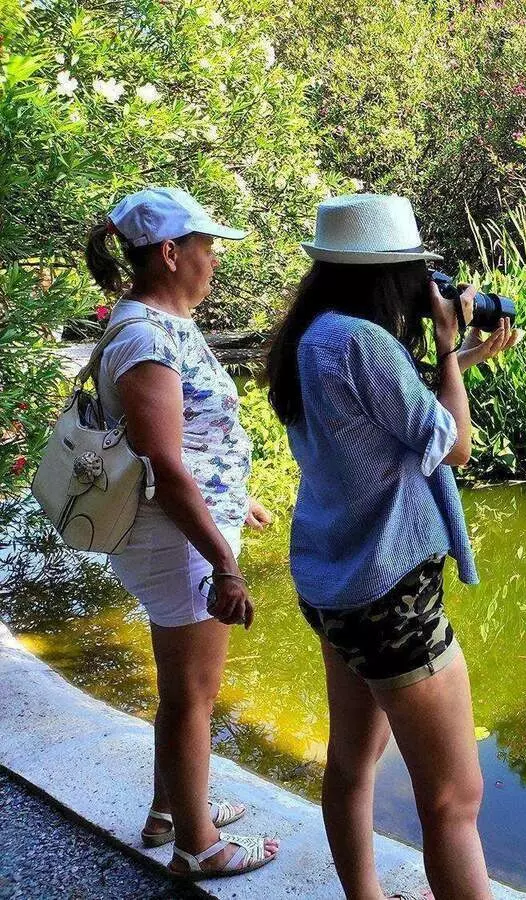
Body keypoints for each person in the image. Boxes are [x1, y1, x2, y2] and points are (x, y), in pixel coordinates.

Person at [265, 193, 519, 900]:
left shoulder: (312, 337)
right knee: (454, 798)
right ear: (389, 273)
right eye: (415, 273)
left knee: (352, 765)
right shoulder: (363, 342)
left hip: (336, 584)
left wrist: (460, 359)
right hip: (390, 594)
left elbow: (389, 416)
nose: (422, 289)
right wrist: (445, 347)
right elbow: (455, 446)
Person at [85, 187, 280, 879]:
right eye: (207, 247)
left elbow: (185, 440)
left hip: (185, 528)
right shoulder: (145, 337)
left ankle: (171, 810)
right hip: (178, 540)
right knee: (194, 694)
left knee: (181, 688)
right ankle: (199, 847)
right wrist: (224, 561)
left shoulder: (160, 323)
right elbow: (164, 466)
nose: (215, 261)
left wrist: (237, 495)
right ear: (170, 253)